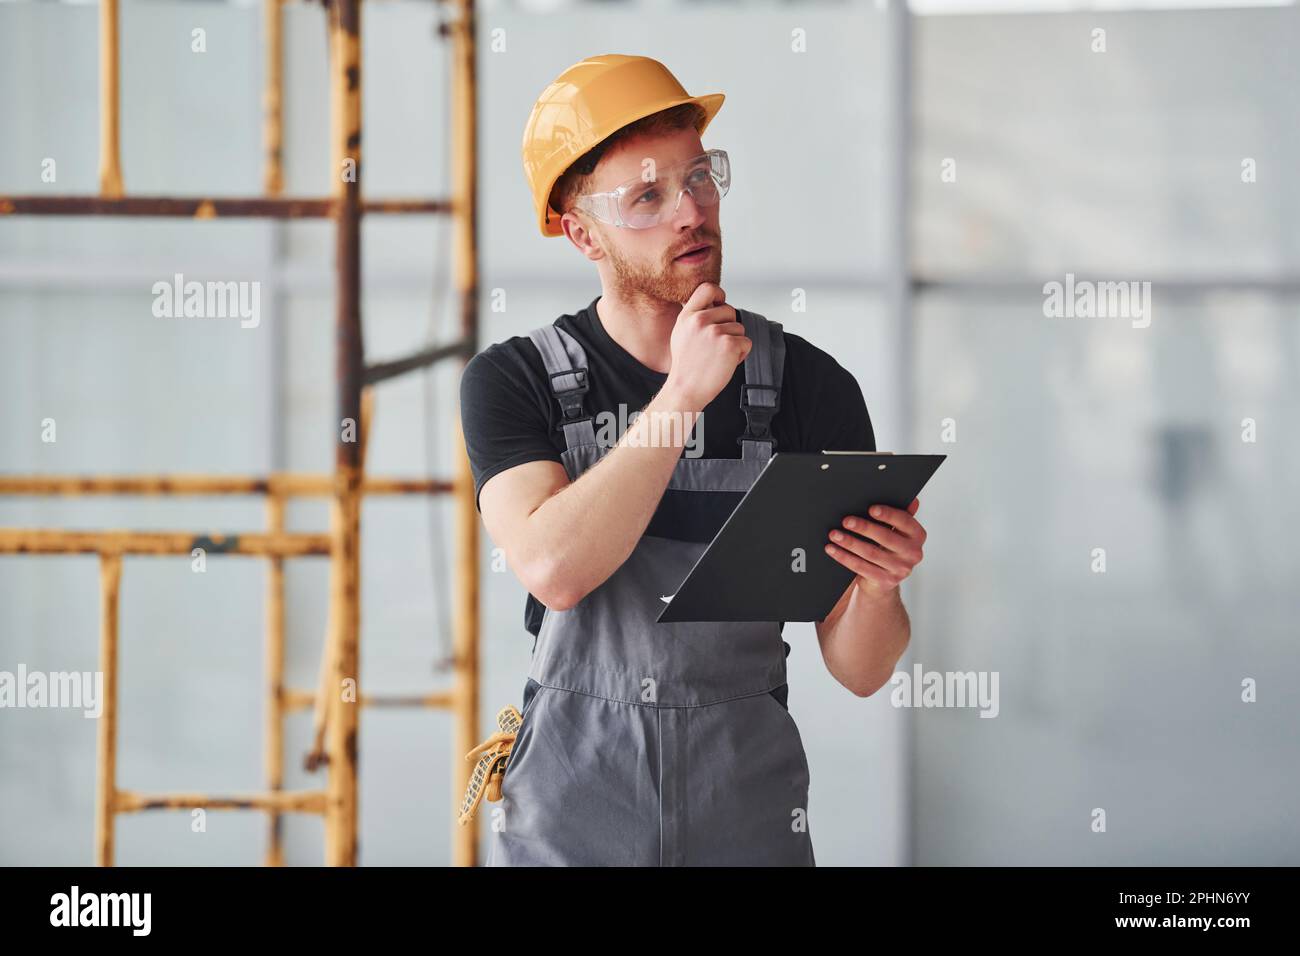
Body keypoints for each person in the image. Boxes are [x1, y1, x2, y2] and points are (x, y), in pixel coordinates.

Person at [458, 54, 928, 866]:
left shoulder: (809, 388)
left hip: (743, 802)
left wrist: (879, 587)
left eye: (700, 178)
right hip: (573, 805)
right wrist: (680, 398)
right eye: (647, 195)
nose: (691, 212)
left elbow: (861, 670)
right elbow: (552, 566)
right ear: (582, 233)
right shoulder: (514, 380)